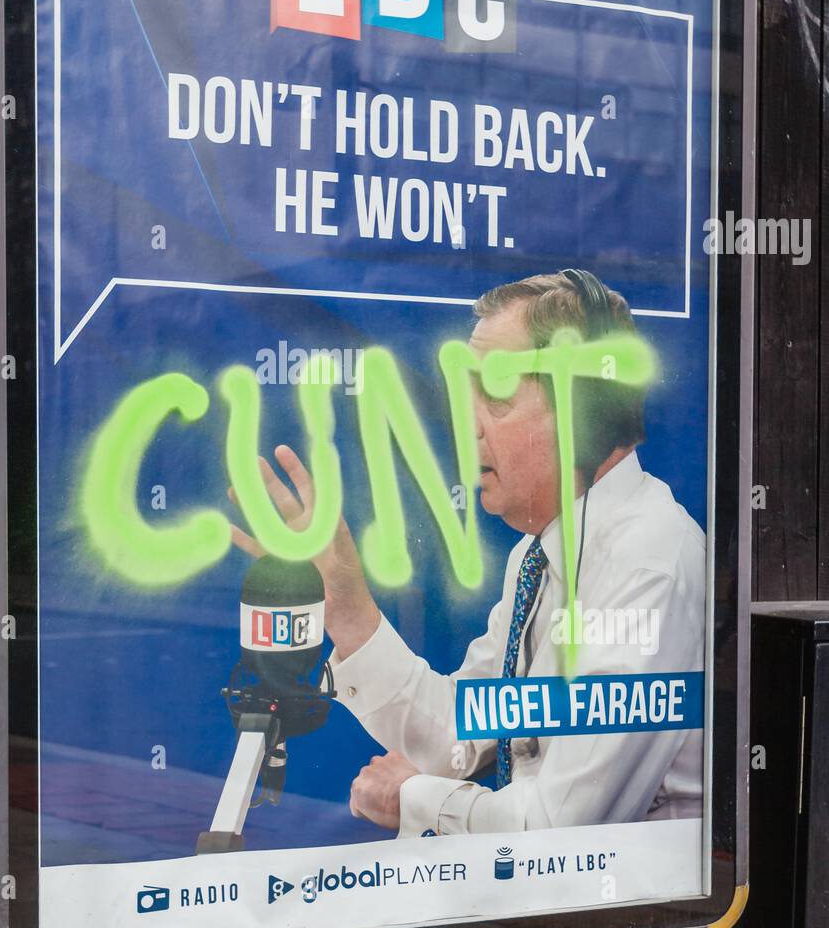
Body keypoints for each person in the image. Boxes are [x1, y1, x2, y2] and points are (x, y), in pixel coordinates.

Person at [230, 270, 705, 838]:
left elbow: (561, 834)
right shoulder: (540, 557)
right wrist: (347, 607)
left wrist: (415, 798)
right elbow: (461, 732)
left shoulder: (646, 565)